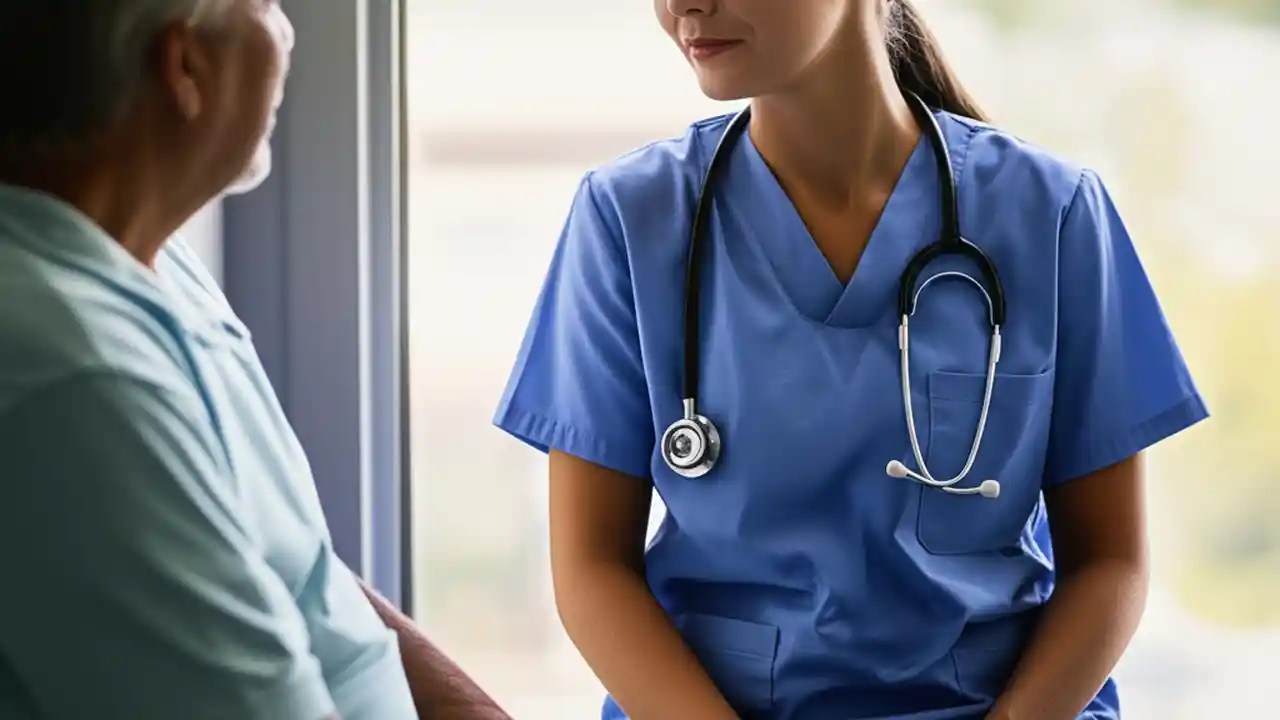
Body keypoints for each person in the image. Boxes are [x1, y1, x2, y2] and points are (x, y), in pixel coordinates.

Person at [493, 1, 1208, 718]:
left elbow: (1111, 564)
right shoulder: (630, 218)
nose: (685, 4)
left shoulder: (1051, 214)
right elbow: (591, 572)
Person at [0, 1, 506, 718]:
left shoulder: (153, 261)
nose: (289, 33)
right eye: (266, 5)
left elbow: (293, 572)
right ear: (185, 65)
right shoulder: (72, 383)